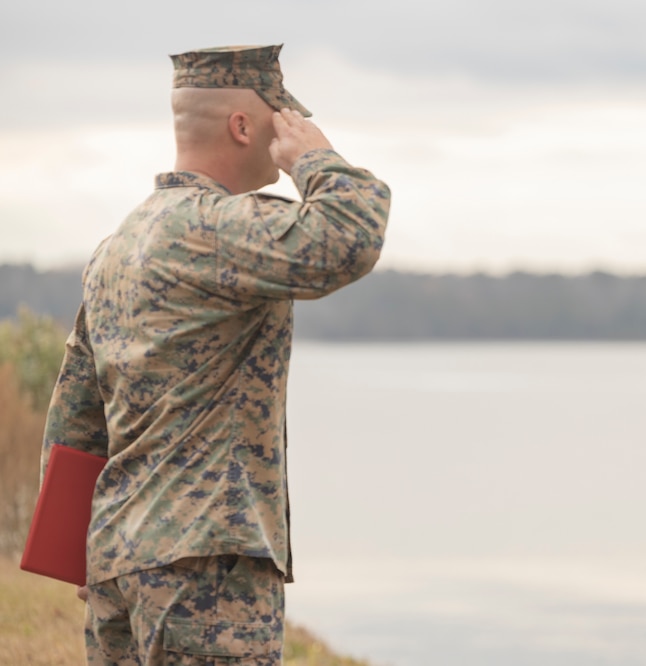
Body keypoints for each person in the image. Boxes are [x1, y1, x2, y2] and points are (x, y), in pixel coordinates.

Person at [41, 44, 391, 664]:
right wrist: (315, 159)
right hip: (205, 570)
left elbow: (76, 418)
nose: (291, 129)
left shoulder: (116, 247)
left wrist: (83, 556)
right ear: (243, 126)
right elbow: (350, 234)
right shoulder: (219, 227)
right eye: (281, 116)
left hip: (117, 565)